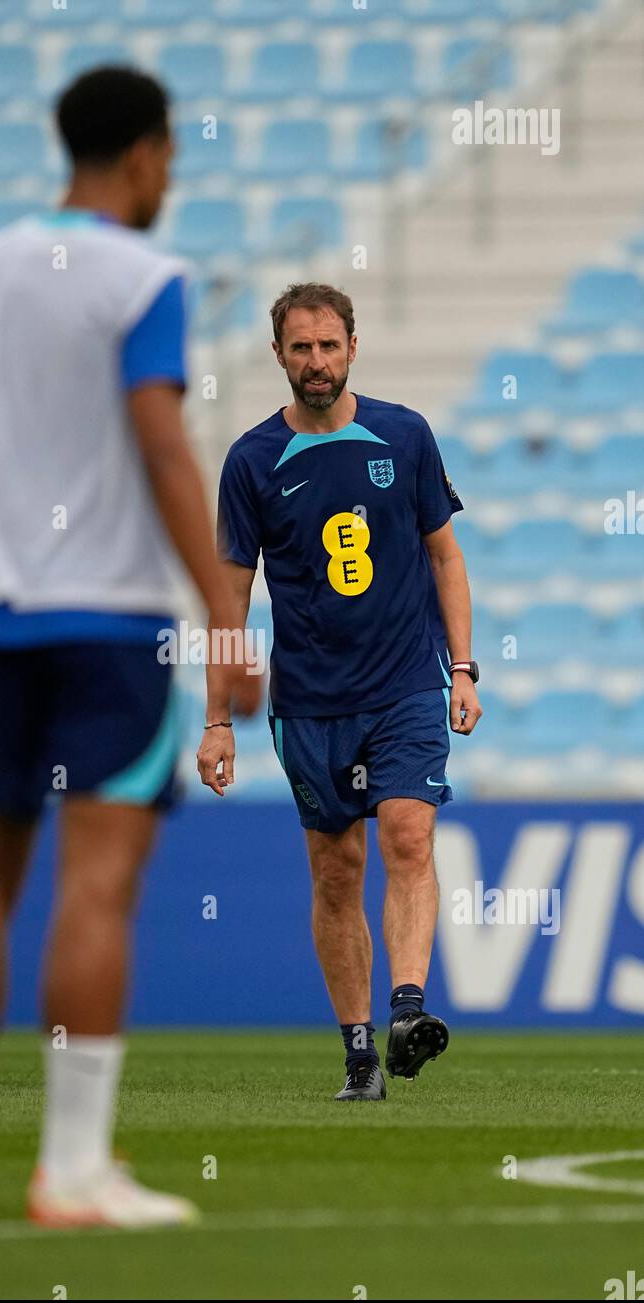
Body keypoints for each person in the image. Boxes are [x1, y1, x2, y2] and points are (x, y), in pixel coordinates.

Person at [0, 65, 258, 1228]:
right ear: (150, 153)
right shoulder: (144, 276)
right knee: (93, 889)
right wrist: (223, 614)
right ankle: (69, 1171)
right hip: (111, 625)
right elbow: (160, 444)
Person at [198, 282, 481, 1101]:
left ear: (352, 347)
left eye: (328, 345)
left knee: (408, 837)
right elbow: (230, 602)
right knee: (334, 870)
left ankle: (406, 1011)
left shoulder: (404, 434)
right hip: (310, 702)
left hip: (405, 687)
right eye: (300, 347)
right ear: (278, 355)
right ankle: (360, 1053)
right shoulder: (252, 460)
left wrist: (462, 668)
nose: (315, 362)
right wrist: (217, 720)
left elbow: (445, 557)